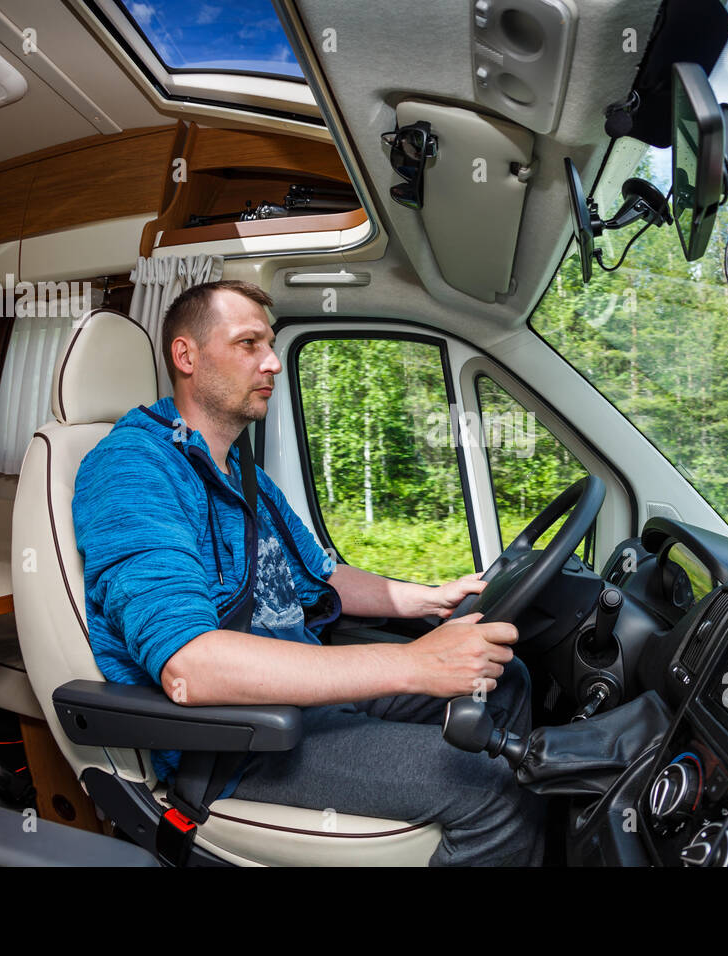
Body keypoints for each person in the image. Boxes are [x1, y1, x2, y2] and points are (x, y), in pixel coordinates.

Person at [73, 279, 543, 866]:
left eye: (270, 344)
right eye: (248, 344)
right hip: (241, 740)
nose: (271, 361)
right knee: (492, 788)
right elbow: (191, 666)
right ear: (186, 356)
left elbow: (321, 575)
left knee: (507, 678)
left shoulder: (242, 471)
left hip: (305, 699)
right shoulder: (130, 469)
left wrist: (432, 601)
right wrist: (416, 663)